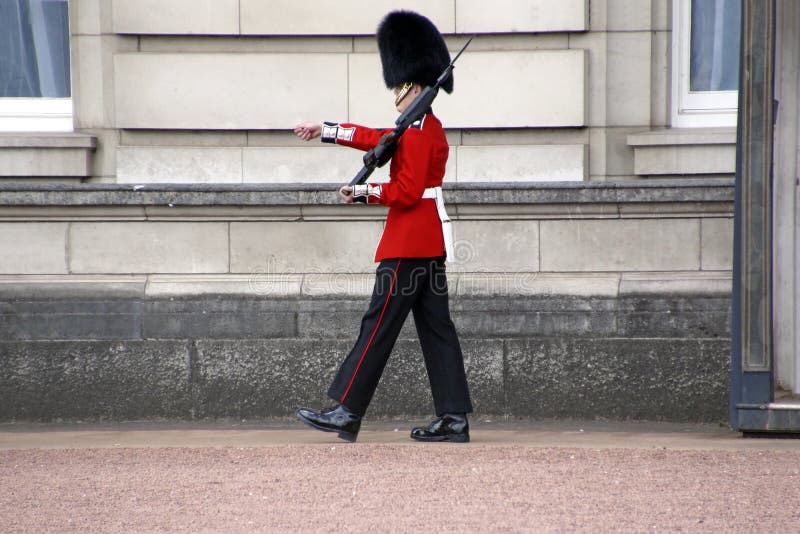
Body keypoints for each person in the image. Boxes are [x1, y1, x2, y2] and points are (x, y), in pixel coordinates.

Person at [293, 10, 473, 443]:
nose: (396, 92)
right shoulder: (422, 128)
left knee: (376, 326)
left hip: (409, 245)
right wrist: (327, 130)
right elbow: (377, 137)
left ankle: (347, 410)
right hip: (427, 243)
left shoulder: (418, 132)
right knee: (436, 330)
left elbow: (407, 193)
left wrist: (363, 194)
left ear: (412, 85)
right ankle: (453, 418)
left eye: (399, 85)